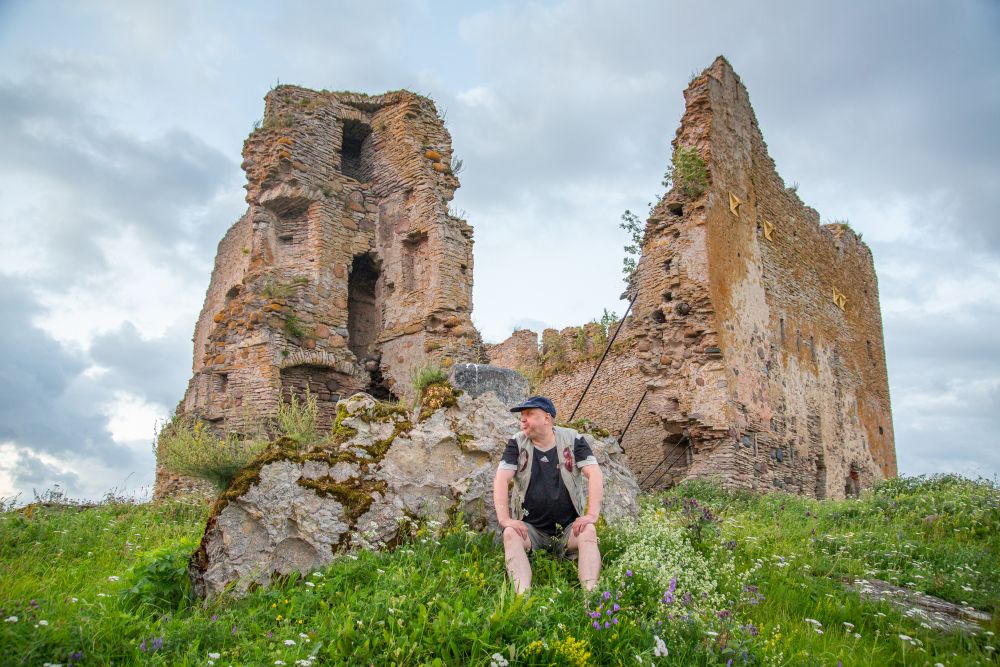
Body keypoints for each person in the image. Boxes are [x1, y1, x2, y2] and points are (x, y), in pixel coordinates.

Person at [493, 395, 603, 594]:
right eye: (522, 415)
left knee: (588, 530)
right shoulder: (516, 443)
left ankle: (591, 595)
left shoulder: (573, 440)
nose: (523, 419)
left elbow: (594, 473)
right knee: (510, 534)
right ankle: (522, 598)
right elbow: (502, 479)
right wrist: (505, 520)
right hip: (530, 531)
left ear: (547, 418)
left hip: (568, 530)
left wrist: (591, 515)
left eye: (529, 414)